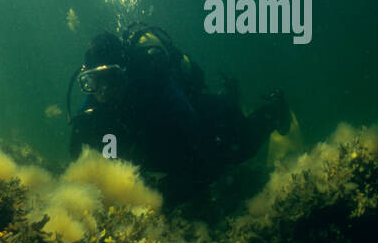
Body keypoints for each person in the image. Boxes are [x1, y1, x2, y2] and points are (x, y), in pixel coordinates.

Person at [67, 24, 292, 198]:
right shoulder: (96, 100)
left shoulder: (153, 81)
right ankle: (229, 96)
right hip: (152, 143)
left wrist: (168, 190)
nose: (103, 91)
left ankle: (273, 109)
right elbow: (78, 150)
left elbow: (199, 141)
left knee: (239, 148)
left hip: (197, 118)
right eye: (95, 81)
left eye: (111, 79)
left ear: (125, 73)